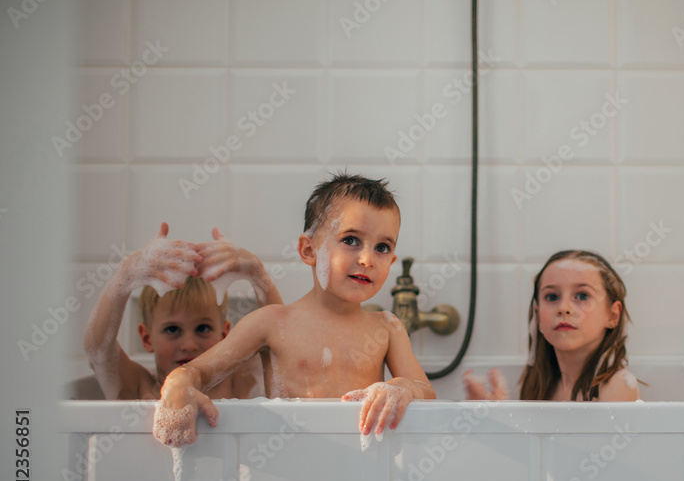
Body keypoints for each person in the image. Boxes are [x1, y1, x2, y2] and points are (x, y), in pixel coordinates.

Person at [153, 172, 435, 447]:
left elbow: (428, 395)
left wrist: (403, 387)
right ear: (308, 250)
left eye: (382, 247)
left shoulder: (386, 328)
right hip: (288, 462)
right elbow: (198, 372)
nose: (367, 259)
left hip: (361, 469)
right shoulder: (271, 322)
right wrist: (178, 384)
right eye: (351, 240)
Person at [83, 223, 282, 401]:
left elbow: (279, 343)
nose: (189, 345)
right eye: (172, 330)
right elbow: (98, 349)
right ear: (147, 338)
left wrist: (257, 273)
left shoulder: (235, 381)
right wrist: (125, 275)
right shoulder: (139, 387)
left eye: (203, 328)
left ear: (224, 334)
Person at [464, 250, 640, 401]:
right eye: (552, 297)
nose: (563, 308)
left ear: (612, 315)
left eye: (582, 296)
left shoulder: (616, 386)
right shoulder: (542, 386)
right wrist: (493, 420)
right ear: (538, 316)